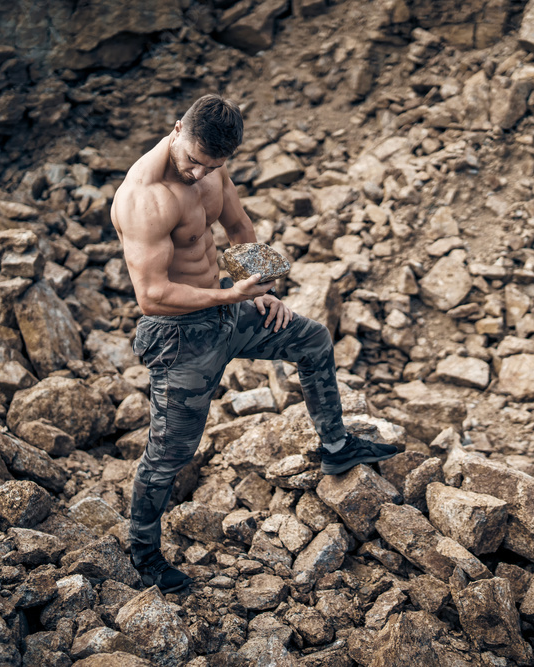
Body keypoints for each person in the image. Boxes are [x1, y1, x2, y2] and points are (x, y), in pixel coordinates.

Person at [110, 94, 398, 594]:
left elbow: (239, 227)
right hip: (180, 336)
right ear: (177, 129)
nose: (199, 174)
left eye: (212, 166)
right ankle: (144, 554)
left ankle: (335, 447)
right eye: (193, 161)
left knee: (312, 339)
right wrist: (230, 293)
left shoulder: (213, 171)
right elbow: (152, 295)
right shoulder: (143, 197)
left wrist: (260, 286)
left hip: (229, 309)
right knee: (170, 453)